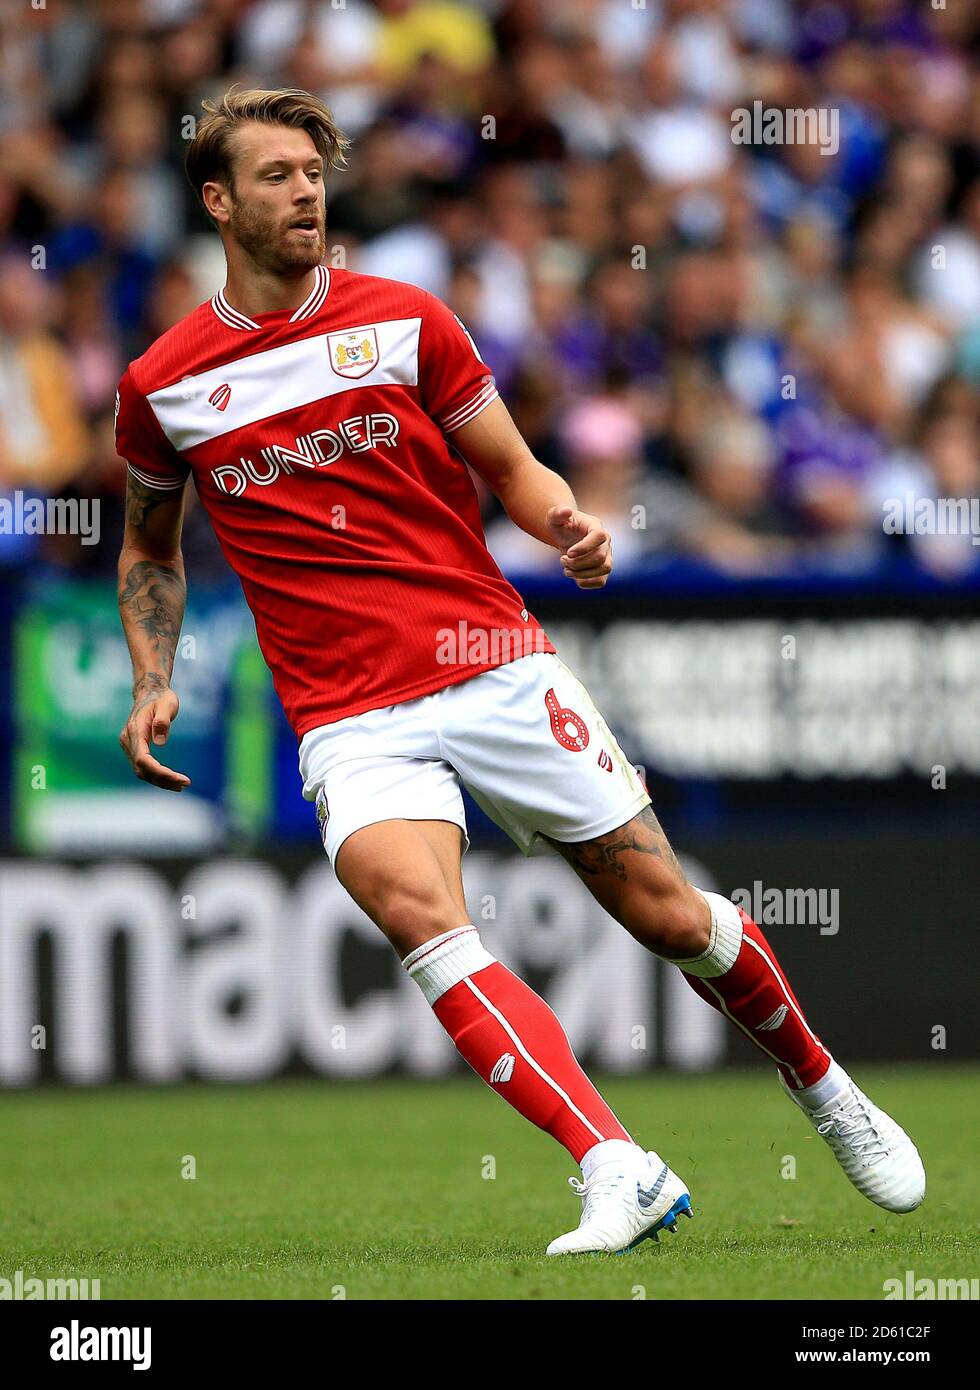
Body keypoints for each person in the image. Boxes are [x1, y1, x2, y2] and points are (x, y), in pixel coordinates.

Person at [114, 88, 924, 1256]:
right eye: (279, 174)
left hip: (486, 661)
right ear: (217, 200)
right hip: (347, 710)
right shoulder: (165, 384)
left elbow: (515, 467)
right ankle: (614, 1163)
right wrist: (153, 673)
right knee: (415, 912)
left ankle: (820, 1083)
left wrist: (566, 524)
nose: (305, 192)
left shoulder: (405, 321)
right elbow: (147, 548)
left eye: (313, 171)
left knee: (664, 915)